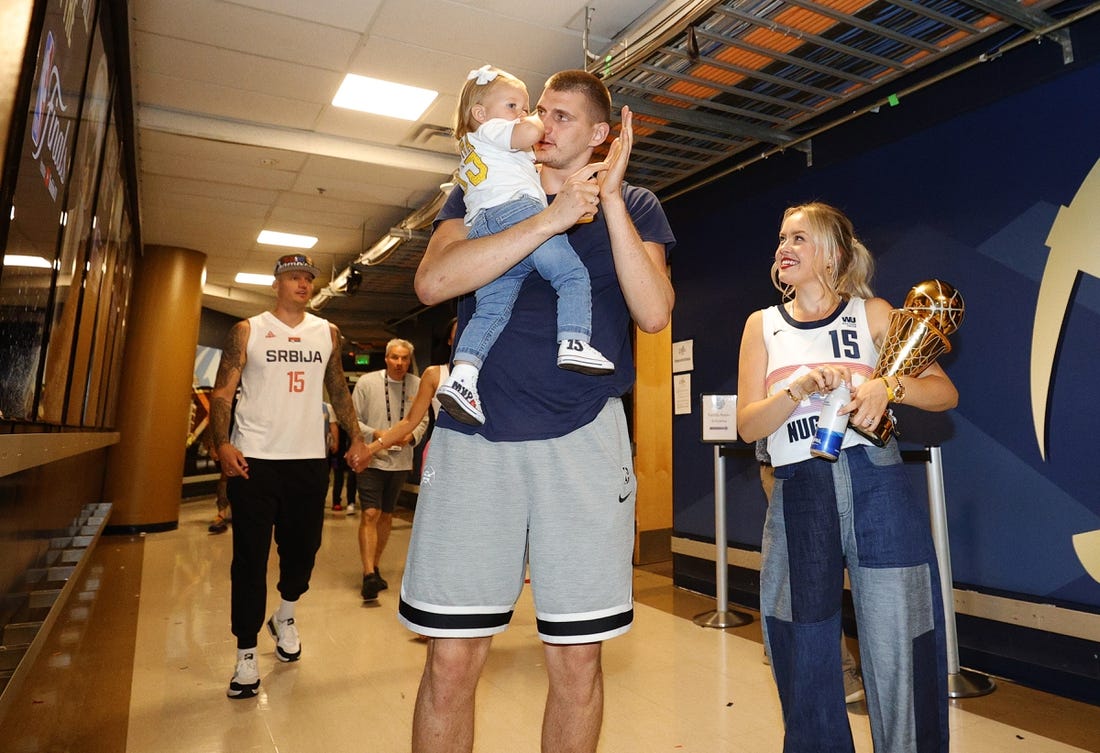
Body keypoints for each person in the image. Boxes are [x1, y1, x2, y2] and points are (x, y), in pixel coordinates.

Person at [376, 69, 675, 753]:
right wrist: (551, 216)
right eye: (540, 110)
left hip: (582, 442)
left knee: (576, 660)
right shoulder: (478, 188)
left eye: (563, 116)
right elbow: (434, 282)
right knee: (450, 660)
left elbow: (654, 313)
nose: (543, 122)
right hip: (474, 439)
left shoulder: (639, 204)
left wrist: (612, 198)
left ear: (600, 135)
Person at [736, 202, 956, 752]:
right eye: (782, 238)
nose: (784, 248)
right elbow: (746, 427)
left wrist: (890, 388)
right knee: (801, 637)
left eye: (800, 239)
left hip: (876, 482)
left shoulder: (874, 314)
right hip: (797, 489)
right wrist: (799, 388)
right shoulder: (761, 326)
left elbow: (944, 393)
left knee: (899, 632)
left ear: (833, 252)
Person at [209, 253, 367, 700]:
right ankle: (244, 653)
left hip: (307, 460)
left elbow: (337, 388)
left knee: (303, 552)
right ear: (275, 284)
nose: (302, 283)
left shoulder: (326, 332)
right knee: (250, 560)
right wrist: (222, 443)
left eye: (307, 278)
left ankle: (286, 613)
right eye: (293, 277)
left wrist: (355, 437)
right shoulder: (248, 330)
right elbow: (224, 391)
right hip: (254, 459)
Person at [434, 64, 615, 427]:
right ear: (480, 113)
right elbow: (528, 132)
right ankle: (574, 341)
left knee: (492, 310)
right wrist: (533, 121)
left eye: (560, 116)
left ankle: (463, 377)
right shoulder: (493, 130)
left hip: (486, 226)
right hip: (517, 213)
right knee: (571, 274)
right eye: (517, 106)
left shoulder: (487, 148)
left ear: (597, 133)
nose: (534, 119)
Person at [756, 438, 864, 705]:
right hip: (789, 464)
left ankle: (799, 655)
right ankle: (839, 672)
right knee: (810, 577)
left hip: (836, 461)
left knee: (808, 575)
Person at [351, 338, 429, 602]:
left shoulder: (418, 385)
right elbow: (352, 419)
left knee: (386, 515)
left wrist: (412, 436)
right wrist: (375, 433)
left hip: (401, 461)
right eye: (395, 357)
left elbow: (423, 419)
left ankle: (375, 565)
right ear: (386, 358)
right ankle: (368, 574)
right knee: (370, 513)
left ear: (409, 360)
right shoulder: (367, 383)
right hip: (372, 458)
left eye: (404, 358)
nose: (399, 363)